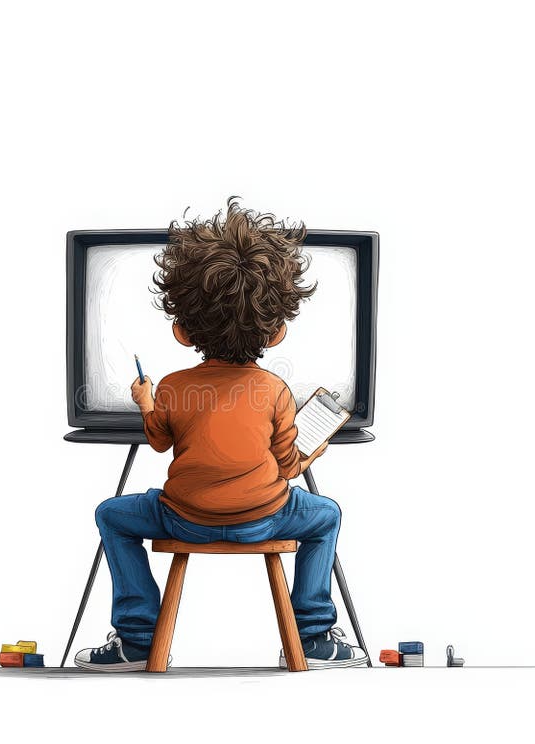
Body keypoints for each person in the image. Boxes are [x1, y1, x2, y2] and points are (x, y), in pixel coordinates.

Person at [75, 197, 367, 671]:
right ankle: (312, 636)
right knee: (326, 515)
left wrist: (147, 403)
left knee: (112, 514)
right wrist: (316, 444)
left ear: (182, 331)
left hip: (183, 518)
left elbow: (158, 440)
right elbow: (288, 465)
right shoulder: (274, 390)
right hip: (265, 518)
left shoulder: (172, 386)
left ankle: (138, 637)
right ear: (275, 334)